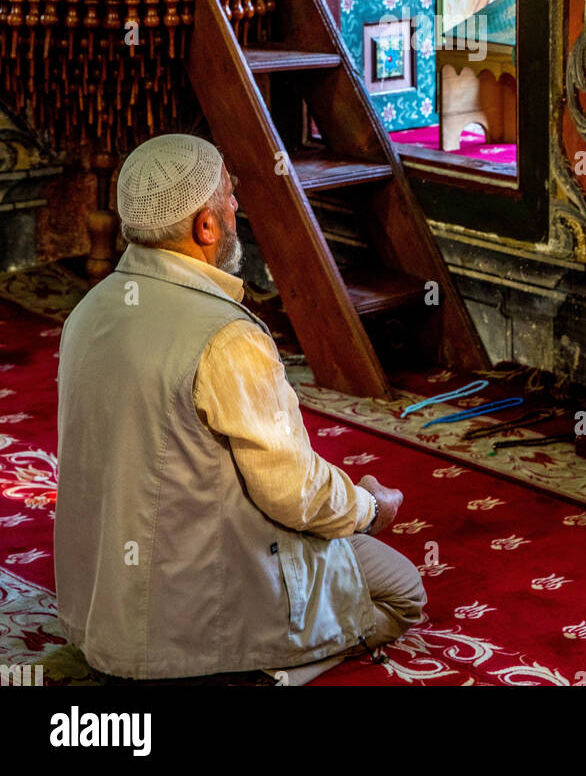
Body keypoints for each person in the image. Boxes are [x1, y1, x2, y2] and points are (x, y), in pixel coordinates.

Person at [54, 132, 425, 683]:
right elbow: (293, 495)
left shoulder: (88, 310)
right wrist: (369, 509)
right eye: (229, 194)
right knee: (402, 592)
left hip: (101, 611)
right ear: (206, 226)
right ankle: (248, 672)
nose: (236, 204)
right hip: (190, 617)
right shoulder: (225, 336)